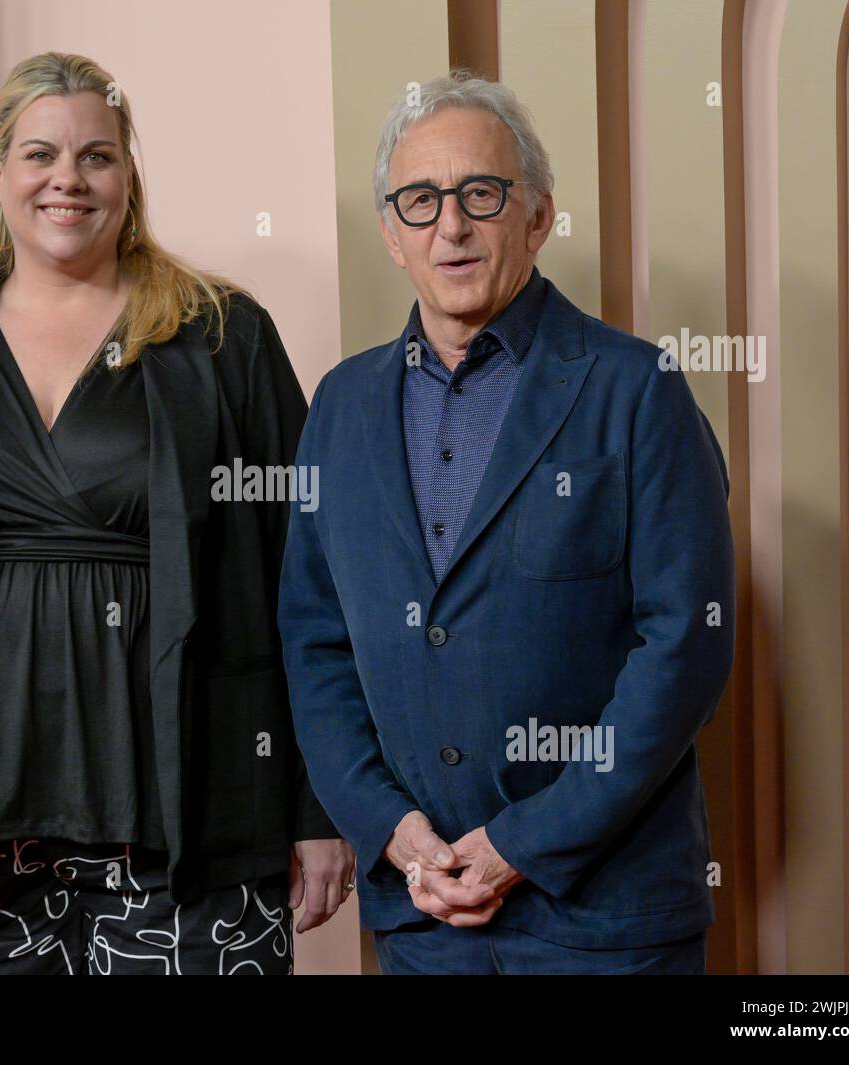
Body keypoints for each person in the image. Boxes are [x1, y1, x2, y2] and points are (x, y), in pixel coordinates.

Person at [0, 51, 353, 975]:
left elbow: (309, 579)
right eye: (39, 154)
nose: (68, 179)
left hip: (195, 823)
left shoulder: (224, 337)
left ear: (128, 174)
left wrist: (318, 806)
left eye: (97, 156)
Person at [277, 70, 735, 975]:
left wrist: (525, 842)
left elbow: (684, 645)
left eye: (480, 194)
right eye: (419, 200)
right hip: (423, 917)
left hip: (608, 924)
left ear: (537, 216)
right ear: (390, 232)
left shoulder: (639, 392)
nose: (450, 224)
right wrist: (394, 831)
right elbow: (313, 641)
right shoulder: (338, 406)